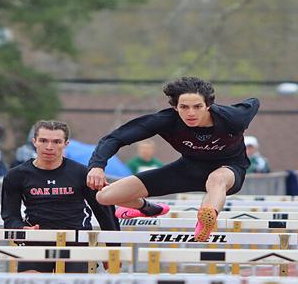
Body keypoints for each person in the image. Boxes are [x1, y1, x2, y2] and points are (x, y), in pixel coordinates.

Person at [2, 120, 118, 284]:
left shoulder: (82, 173)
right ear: (34, 141)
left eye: (56, 142)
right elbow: (9, 215)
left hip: (77, 243)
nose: (49, 147)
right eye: (43, 141)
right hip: (37, 243)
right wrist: (20, 230)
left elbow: (105, 211)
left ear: (66, 144)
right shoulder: (17, 175)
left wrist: (113, 248)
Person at [85, 76, 260, 242]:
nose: (191, 113)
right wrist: (97, 166)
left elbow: (254, 102)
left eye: (197, 106)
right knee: (104, 197)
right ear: (175, 107)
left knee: (216, 178)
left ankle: (207, 218)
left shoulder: (233, 118)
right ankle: (147, 208)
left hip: (228, 170)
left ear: (208, 105)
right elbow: (115, 138)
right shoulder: (166, 121)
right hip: (187, 169)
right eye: (184, 107)